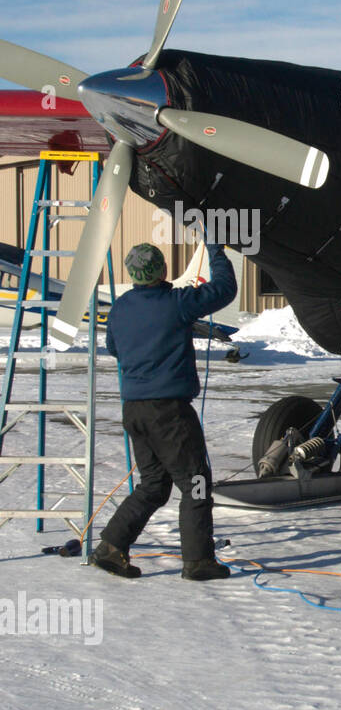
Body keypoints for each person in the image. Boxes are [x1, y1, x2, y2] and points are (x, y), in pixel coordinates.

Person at [90, 240, 237, 580]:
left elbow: (114, 347)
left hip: (134, 411)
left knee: (154, 484)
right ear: (163, 271)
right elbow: (224, 290)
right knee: (196, 482)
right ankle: (199, 561)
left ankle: (111, 547)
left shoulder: (120, 308)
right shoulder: (176, 304)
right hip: (169, 411)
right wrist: (216, 251)